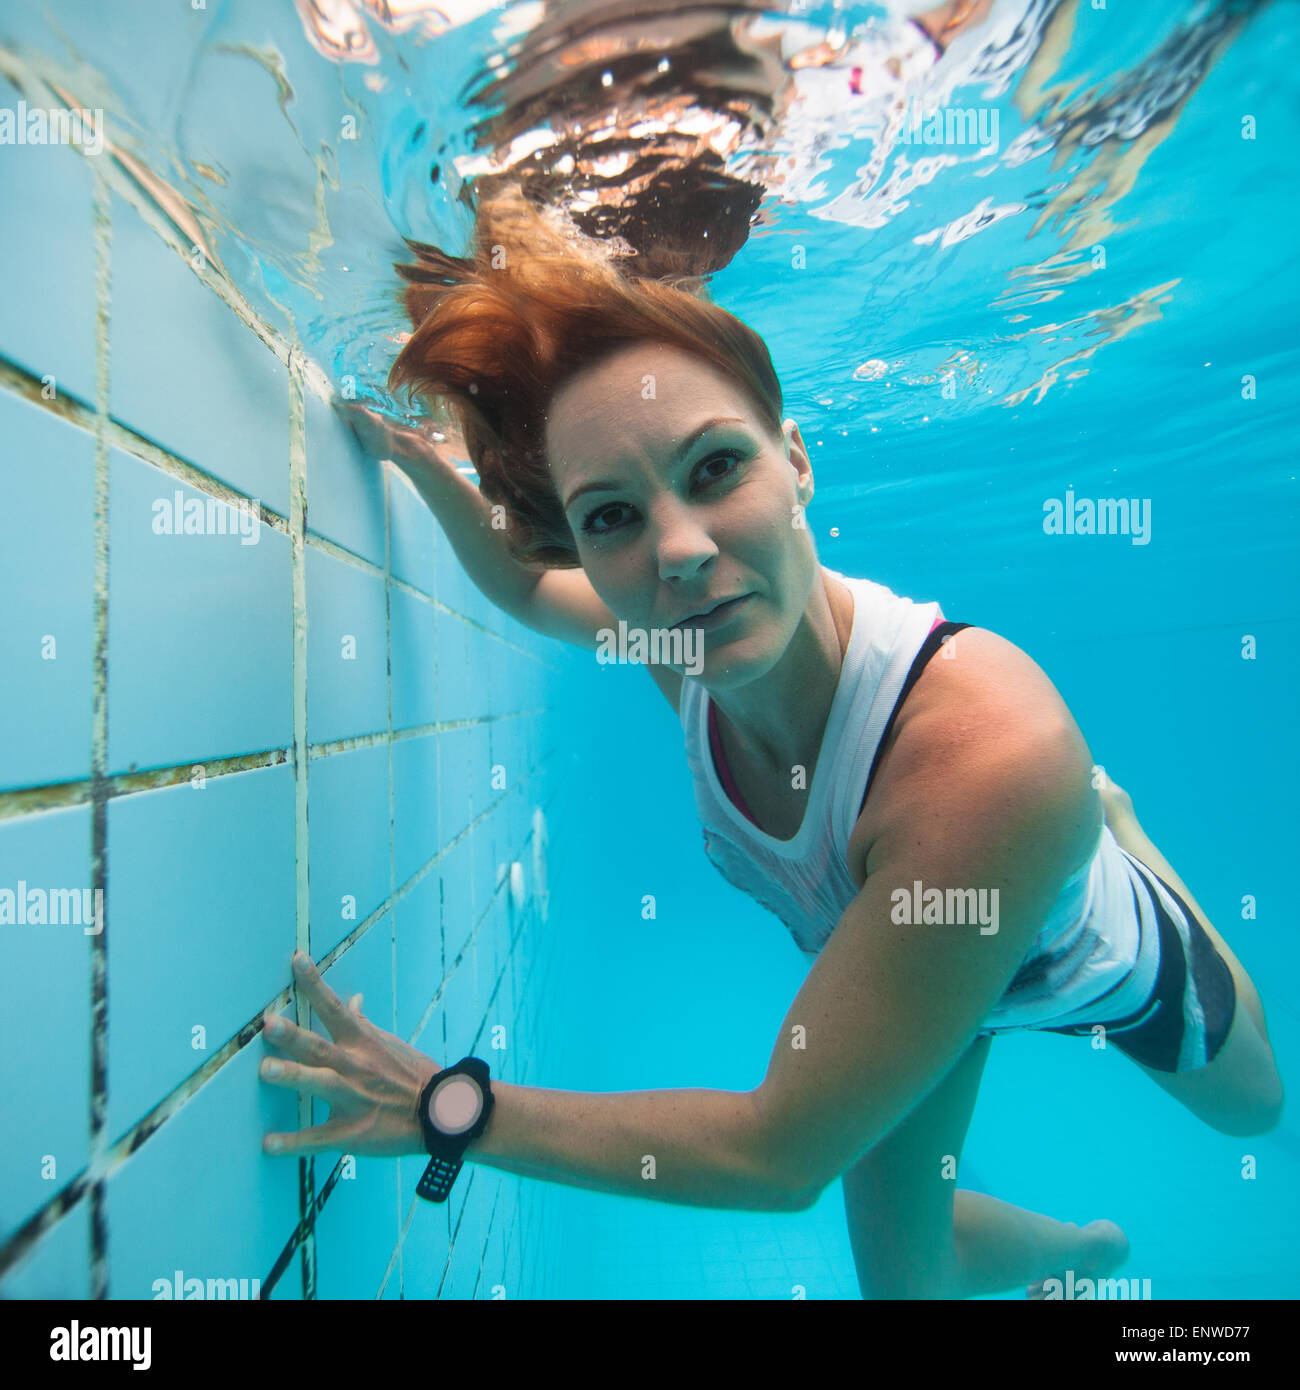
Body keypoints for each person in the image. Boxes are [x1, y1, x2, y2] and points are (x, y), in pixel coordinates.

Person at [261, 186, 1283, 1300]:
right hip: (912, 947)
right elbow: (517, 575)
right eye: (610, 515)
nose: (682, 552)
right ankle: (1084, 1250)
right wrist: (412, 458)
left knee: (1254, 1103)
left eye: (714, 469)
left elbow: (775, 1155)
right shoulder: (668, 633)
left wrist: (441, 1108)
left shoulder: (992, 752)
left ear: (796, 460)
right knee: (910, 1289)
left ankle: (1123, 844)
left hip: (1049, 938)